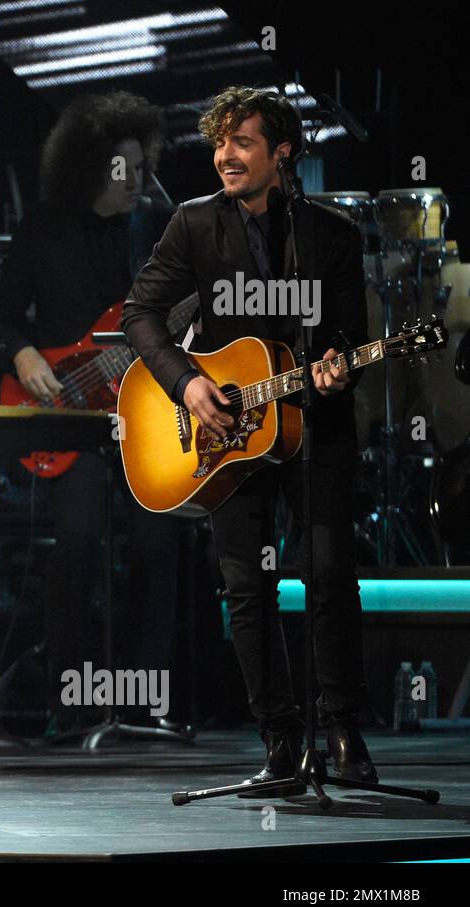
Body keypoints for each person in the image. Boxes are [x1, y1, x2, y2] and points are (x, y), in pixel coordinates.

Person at [122, 86, 374, 793]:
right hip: (226, 437)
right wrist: (188, 385)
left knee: (328, 575)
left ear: (282, 151)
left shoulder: (333, 237)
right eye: (219, 143)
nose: (224, 156)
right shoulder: (194, 224)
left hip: (311, 427)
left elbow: (349, 338)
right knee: (246, 589)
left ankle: (343, 726)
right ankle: (278, 736)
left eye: (242, 143)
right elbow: (143, 314)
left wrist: (336, 370)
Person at [0, 90, 188, 732]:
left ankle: (147, 699)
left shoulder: (148, 236)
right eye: (121, 167)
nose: (134, 181)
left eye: (140, 166)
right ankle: (67, 704)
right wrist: (22, 357)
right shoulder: (44, 228)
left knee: (162, 540)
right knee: (76, 542)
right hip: (66, 412)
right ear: (91, 167)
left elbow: (156, 324)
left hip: (138, 415)